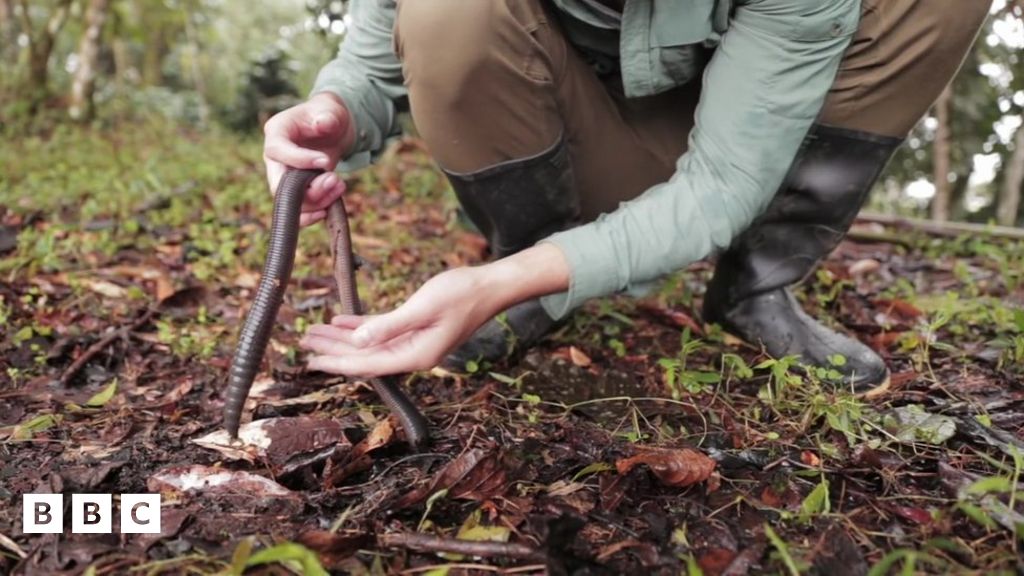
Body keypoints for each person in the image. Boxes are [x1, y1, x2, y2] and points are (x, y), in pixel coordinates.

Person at [264, 0, 992, 396]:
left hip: (744, 147)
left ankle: (755, 289)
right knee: (447, 10)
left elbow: (723, 183)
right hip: (577, 140)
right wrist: (337, 113)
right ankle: (529, 287)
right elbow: (369, 63)